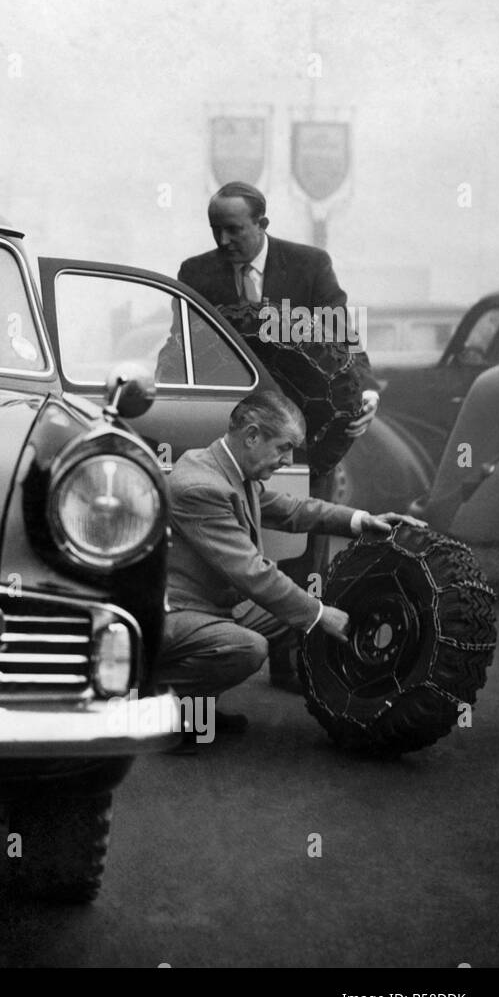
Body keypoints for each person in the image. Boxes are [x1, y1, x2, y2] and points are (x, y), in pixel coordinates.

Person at [175, 181, 382, 688]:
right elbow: (180, 346)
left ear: (262, 225)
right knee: (246, 542)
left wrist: (366, 391)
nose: (224, 240)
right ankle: (212, 657)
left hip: (307, 431)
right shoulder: (195, 273)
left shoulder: (310, 265)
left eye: (235, 229)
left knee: (303, 545)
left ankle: (296, 668)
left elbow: (342, 338)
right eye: (216, 230)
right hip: (240, 428)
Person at [155, 390, 424, 752]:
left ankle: (197, 708)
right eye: (284, 448)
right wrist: (318, 614)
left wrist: (362, 520)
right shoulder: (201, 486)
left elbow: (293, 510)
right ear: (252, 436)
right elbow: (251, 572)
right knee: (248, 648)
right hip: (176, 614)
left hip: (214, 603)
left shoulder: (228, 468)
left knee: (290, 616)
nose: (287, 460)